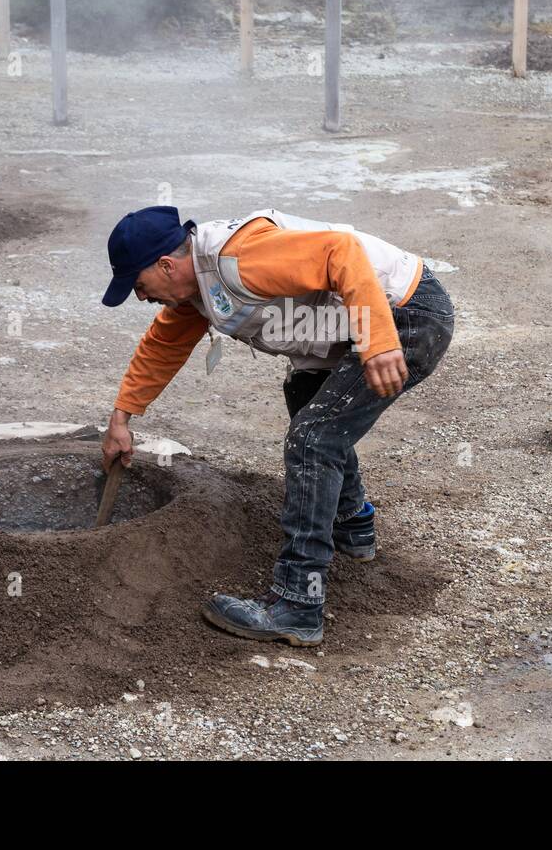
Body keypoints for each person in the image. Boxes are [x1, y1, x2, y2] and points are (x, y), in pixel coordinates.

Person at [100, 205, 453, 646]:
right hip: (369, 318)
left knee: (312, 438)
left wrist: (377, 340)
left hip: (406, 315)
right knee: (305, 395)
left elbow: (341, 252)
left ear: (167, 265)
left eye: (139, 285)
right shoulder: (196, 287)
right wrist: (121, 418)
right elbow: (163, 345)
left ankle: (298, 605)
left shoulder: (240, 259)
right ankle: (352, 522)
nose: (141, 297)